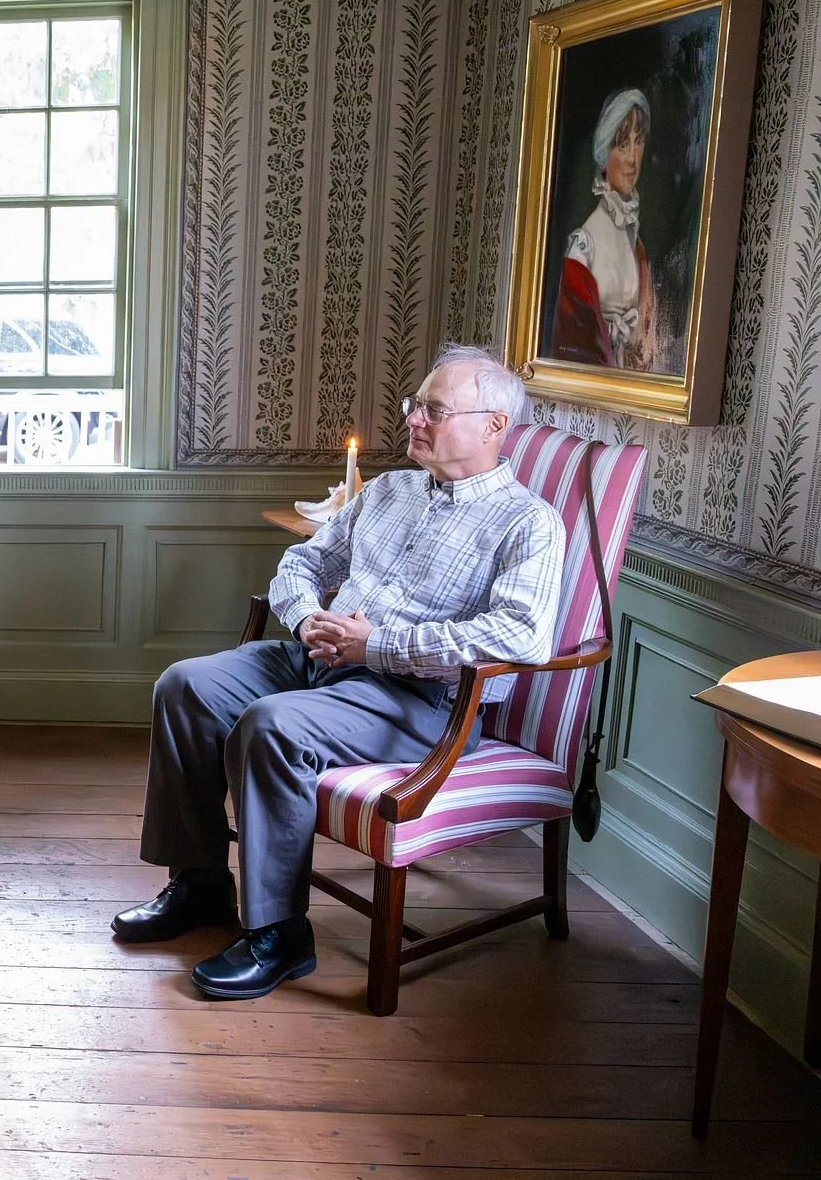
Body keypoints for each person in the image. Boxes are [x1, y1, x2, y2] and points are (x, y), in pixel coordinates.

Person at [113, 345, 565, 1000]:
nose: (412, 418)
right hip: (322, 656)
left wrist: (375, 645)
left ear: (493, 425)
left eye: (433, 410)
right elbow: (302, 565)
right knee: (184, 686)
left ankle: (280, 936)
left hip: (419, 699)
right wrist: (304, 621)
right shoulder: (388, 490)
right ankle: (202, 883)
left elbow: (517, 636)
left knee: (274, 725)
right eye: (415, 404)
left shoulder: (527, 523)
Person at [553, 88, 662, 371]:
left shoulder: (635, 242)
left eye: (638, 142)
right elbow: (574, 342)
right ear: (604, 155)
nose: (632, 159)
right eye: (622, 145)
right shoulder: (585, 243)